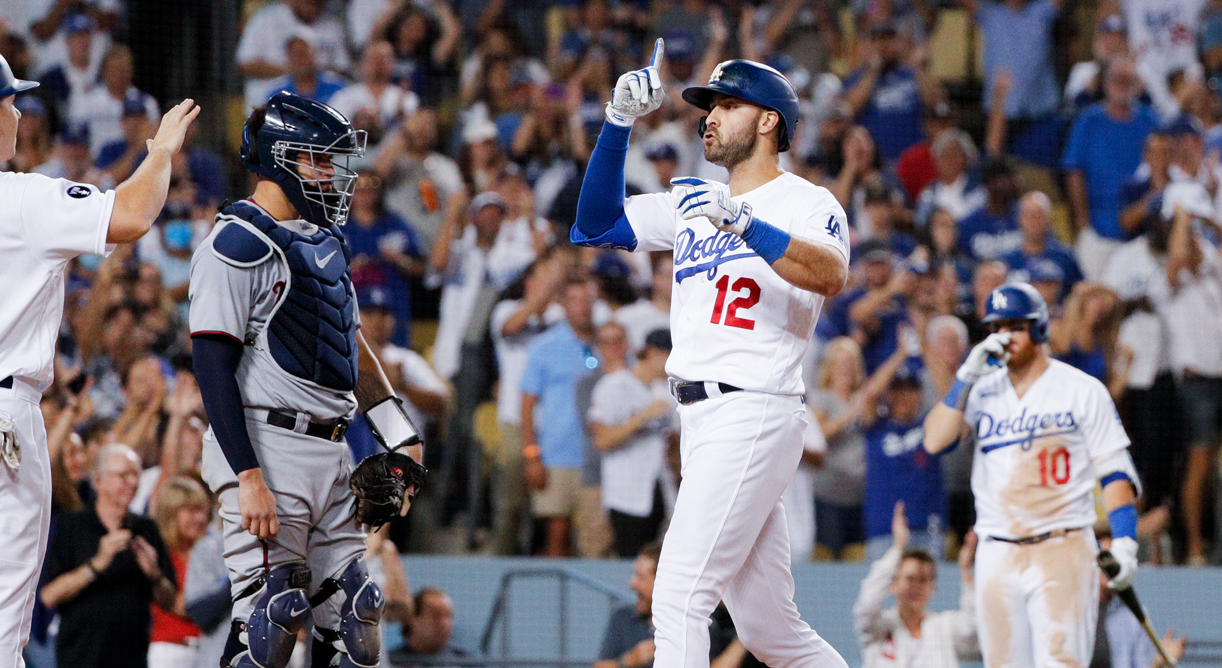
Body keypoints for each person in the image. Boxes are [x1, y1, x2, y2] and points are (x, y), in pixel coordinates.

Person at [571, 44, 851, 668]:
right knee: (770, 630)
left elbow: (831, 273)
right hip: (700, 420)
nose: (711, 116)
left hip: (753, 407)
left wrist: (747, 223)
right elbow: (595, 225)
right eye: (709, 106)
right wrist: (617, 122)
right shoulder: (695, 201)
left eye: (728, 105)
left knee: (678, 594)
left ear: (769, 120)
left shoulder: (807, 201)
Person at [186, 91, 426, 668]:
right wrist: (247, 476)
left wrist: (400, 433)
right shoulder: (234, 243)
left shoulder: (326, 242)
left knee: (356, 617)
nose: (334, 176)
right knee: (270, 621)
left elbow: (350, 347)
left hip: (332, 449)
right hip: (265, 446)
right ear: (279, 158)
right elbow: (211, 365)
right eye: (320, 161)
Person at [0, 54, 198, 665]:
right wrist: (159, 153)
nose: (17, 114)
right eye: (9, 102)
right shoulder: (20, 199)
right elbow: (131, 215)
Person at [923, 282, 1143, 668]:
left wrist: (1125, 542)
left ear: (1039, 328)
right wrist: (965, 377)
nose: (1004, 337)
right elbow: (935, 441)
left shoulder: (1081, 389)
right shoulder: (981, 390)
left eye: (1016, 327)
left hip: (1062, 544)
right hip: (997, 550)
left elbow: (1114, 473)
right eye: (996, 328)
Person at [39, 444, 178, 668]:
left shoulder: (146, 528)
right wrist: (96, 565)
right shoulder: (71, 526)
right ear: (98, 481)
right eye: (123, 475)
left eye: (136, 475)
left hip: (133, 659)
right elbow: (49, 596)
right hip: (80, 658)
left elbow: (169, 600)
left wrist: (154, 575)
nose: (132, 482)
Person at [519, 277, 604, 557]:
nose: (583, 307)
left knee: (596, 538)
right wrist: (532, 455)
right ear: (563, 305)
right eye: (575, 300)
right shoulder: (545, 345)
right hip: (557, 455)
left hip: (598, 456)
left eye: (588, 299)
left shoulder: (607, 342)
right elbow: (527, 405)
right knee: (558, 533)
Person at [1062, 56, 1159, 280]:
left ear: (1137, 84)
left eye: (1128, 80)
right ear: (1105, 83)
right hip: (1098, 232)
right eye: (1117, 79)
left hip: (1142, 235)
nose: (1122, 85)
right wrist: (1083, 224)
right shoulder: (1089, 121)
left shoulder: (1151, 122)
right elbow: (1074, 173)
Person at [853, 502, 978, 668]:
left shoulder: (944, 627)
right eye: (911, 579)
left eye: (924, 580)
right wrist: (898, 547)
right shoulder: (878, 628)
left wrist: (966, 570)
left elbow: (973, 627)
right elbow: (866, 604)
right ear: (893, 584)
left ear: (932, 587)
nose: (917, 588)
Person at [588, 329, 678, 558]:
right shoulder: (615, 385)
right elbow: (601, 440)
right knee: (629, 559)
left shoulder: (666, 390)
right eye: (669, 354)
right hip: (625, 491)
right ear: (652, 353)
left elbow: (673, 441)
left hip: (662, 488)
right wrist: (643, 416)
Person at [1090, 528, 1188, 668]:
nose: (1107, 566)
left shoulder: (1132, 615)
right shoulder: (1068, 609)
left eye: (1113, 559)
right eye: (1103, 557)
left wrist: (1158, 662)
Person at [147, 476, 211, 667]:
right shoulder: (156, 555)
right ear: (171, 514)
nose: (200, 518)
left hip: (209, 651)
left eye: (202, 511)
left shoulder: (212, 554)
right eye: (191, 511)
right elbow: (187, 606)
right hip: (169, 652)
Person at [390, 587, 468, 668]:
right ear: (412, 619)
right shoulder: (391, 662)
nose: (445, 623)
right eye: (436, 616)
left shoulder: (466, 662)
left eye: (449, 616)